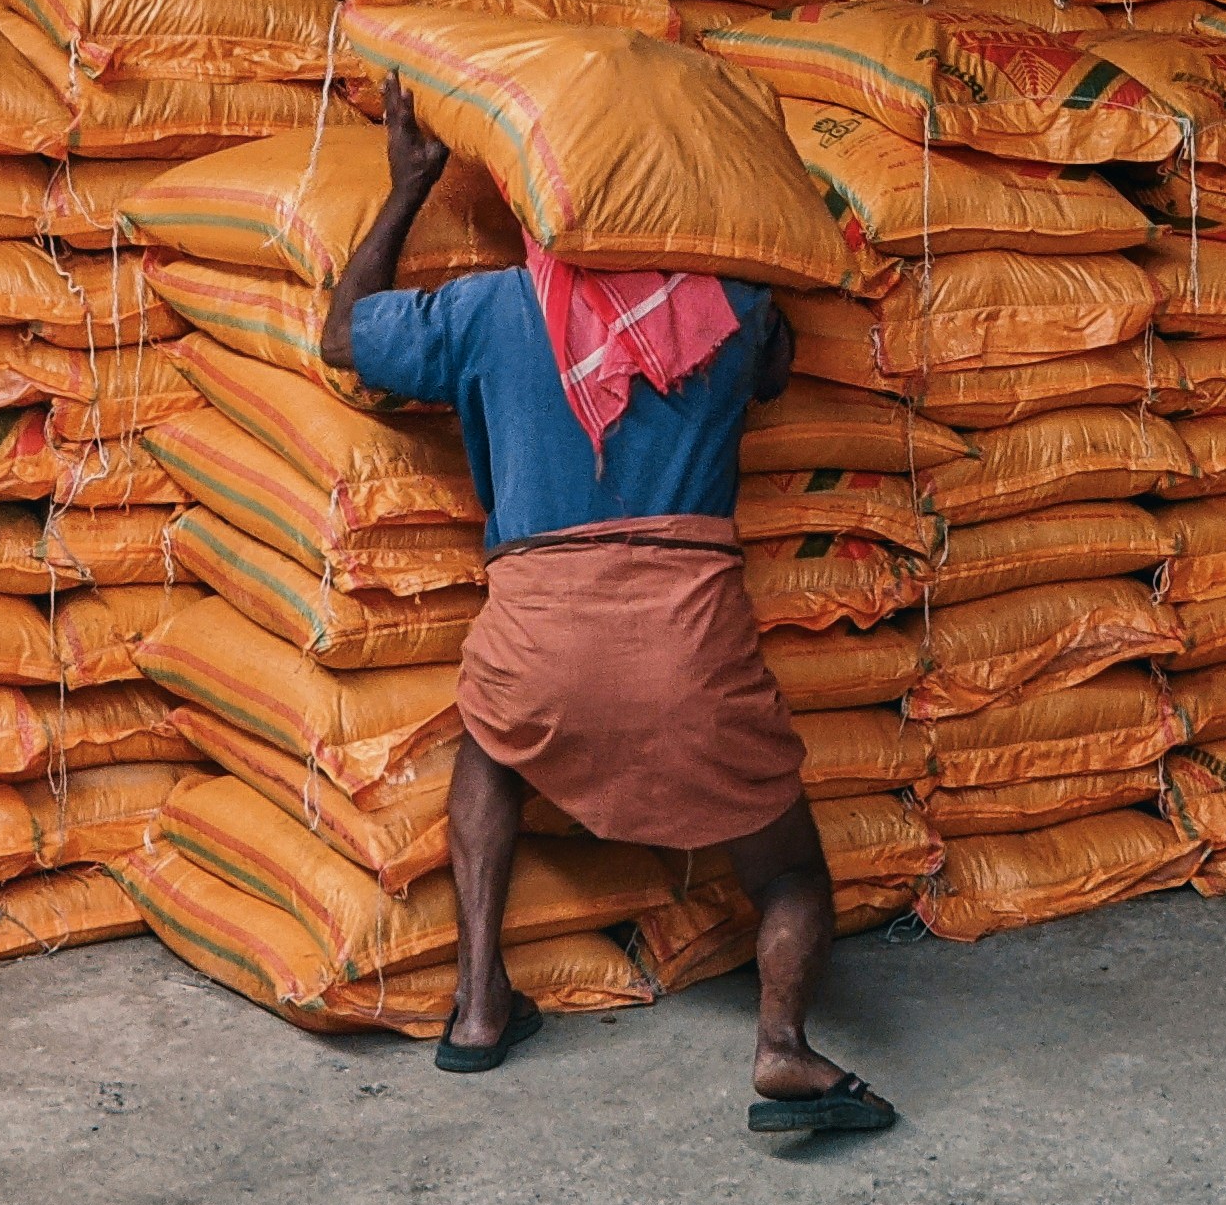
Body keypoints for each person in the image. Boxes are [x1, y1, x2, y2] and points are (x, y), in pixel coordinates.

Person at [320, 90, 893, 1133]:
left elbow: (340, 334)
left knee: (488, 747)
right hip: (692, 643)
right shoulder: (730, 309)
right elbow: (777, 370)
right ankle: (783, 1048)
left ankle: (479, 1003)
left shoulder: (490, 309)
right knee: (794, 873)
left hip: (537, 635)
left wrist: (410, 185)